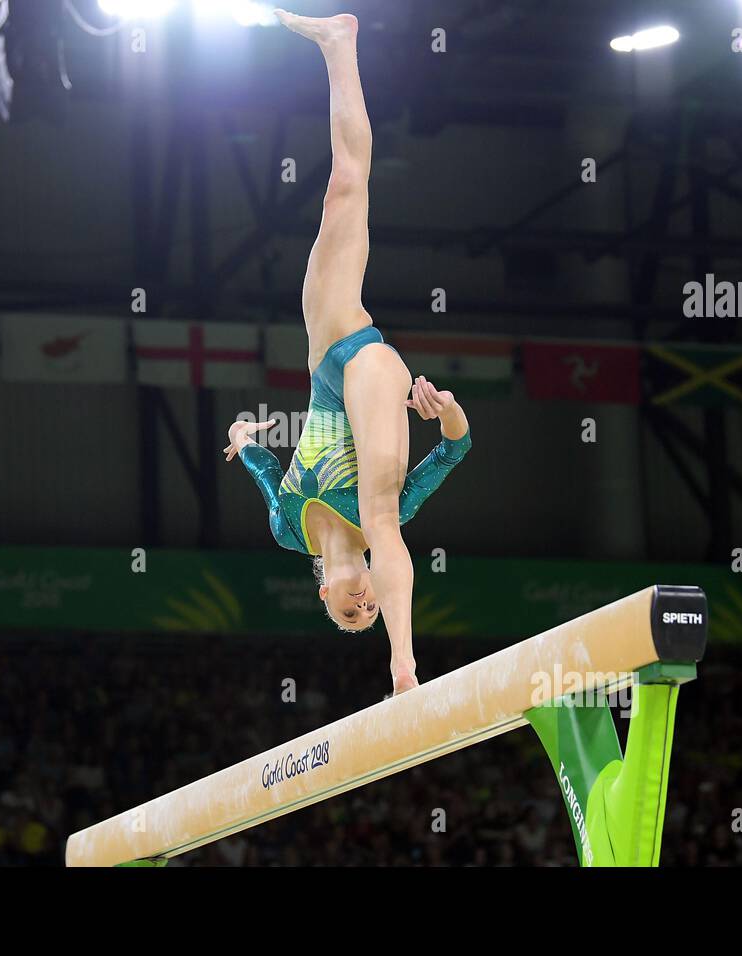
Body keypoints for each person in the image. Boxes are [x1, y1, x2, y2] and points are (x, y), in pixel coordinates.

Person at [224, 11, 472, 696]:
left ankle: (339, 44)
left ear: (323, 594)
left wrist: (243, 436)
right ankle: (404, 665)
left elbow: (263, 464)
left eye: (350, 611)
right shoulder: (387, 521)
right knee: (383, 511)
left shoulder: (285, 529)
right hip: (367, 363)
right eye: (371, 608)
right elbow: (454, 449)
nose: (360, 602)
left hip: (324, 350)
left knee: (344, 184)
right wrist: (448, 412)